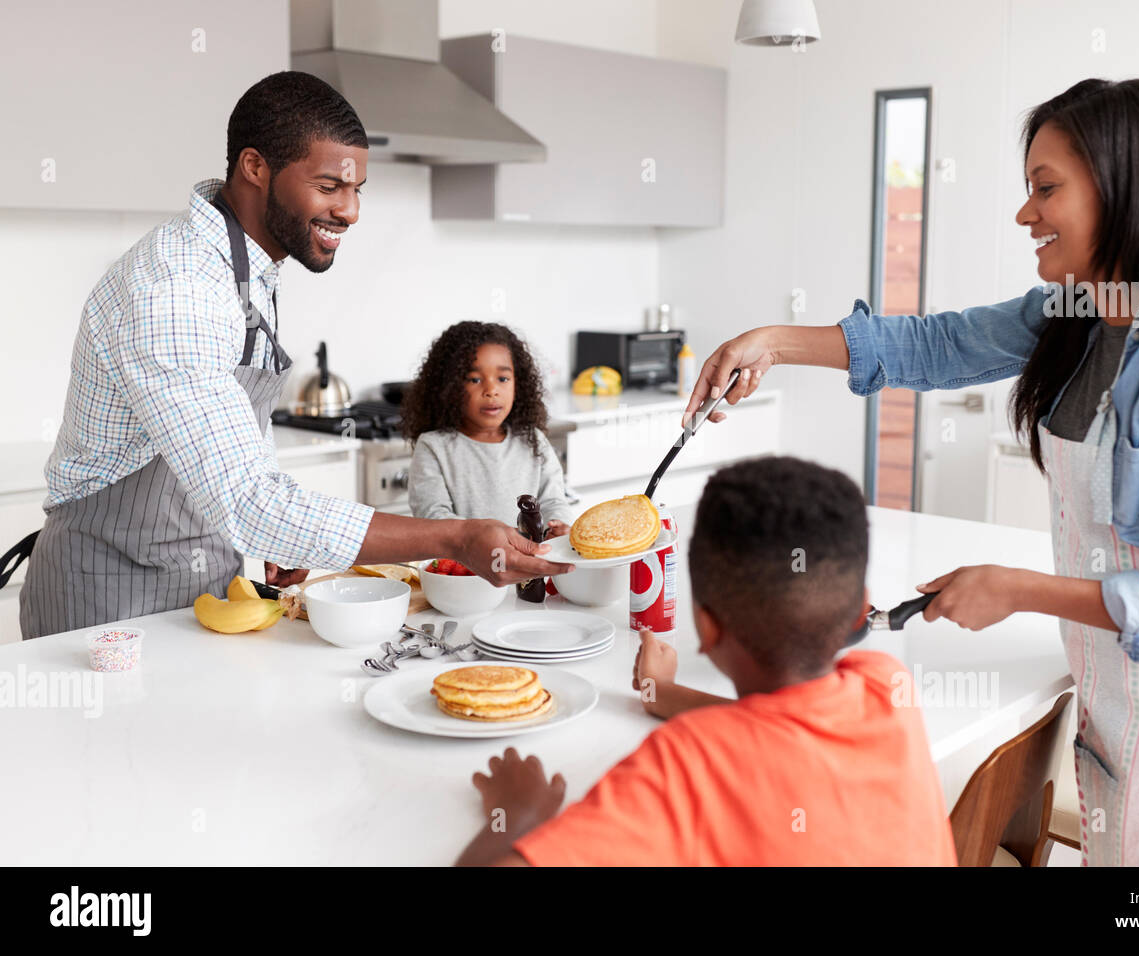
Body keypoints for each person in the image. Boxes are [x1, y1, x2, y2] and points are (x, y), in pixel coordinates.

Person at [681, 79, 1139, 866]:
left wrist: (1016, 590)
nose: (1025, 213)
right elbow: (937, 345)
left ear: (1129, 188)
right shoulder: (1080, 314)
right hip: (1119, 695)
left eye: (1047, 189)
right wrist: (771, 341)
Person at [18, 72, 569, 640]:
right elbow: (249, 500)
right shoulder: (177, 288)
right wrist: (454, 537)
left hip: (208, 583)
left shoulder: (248, 268)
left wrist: (277, 539)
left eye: (357, 190)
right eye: (329, 186)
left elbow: (238, 438)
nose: (350, 211)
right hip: (109, 594)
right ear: (255, 168)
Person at [454, 457, 958, 866]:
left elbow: (750, 741)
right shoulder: (887, 685)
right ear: (860, 610)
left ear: (705, 625)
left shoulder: (683, 763)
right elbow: (785, 731)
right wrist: (664, 694)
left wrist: (517, 817)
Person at [403, 321, 572, 537]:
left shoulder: (533, 440)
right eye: (474, 379)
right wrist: (492, 537)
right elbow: (433, 516)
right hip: (466, 569)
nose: (491, 390)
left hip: (532, 566)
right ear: (450, 387)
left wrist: (557, 527)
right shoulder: (433, 447)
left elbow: (554, 501)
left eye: (502, 379)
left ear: (517, 383)